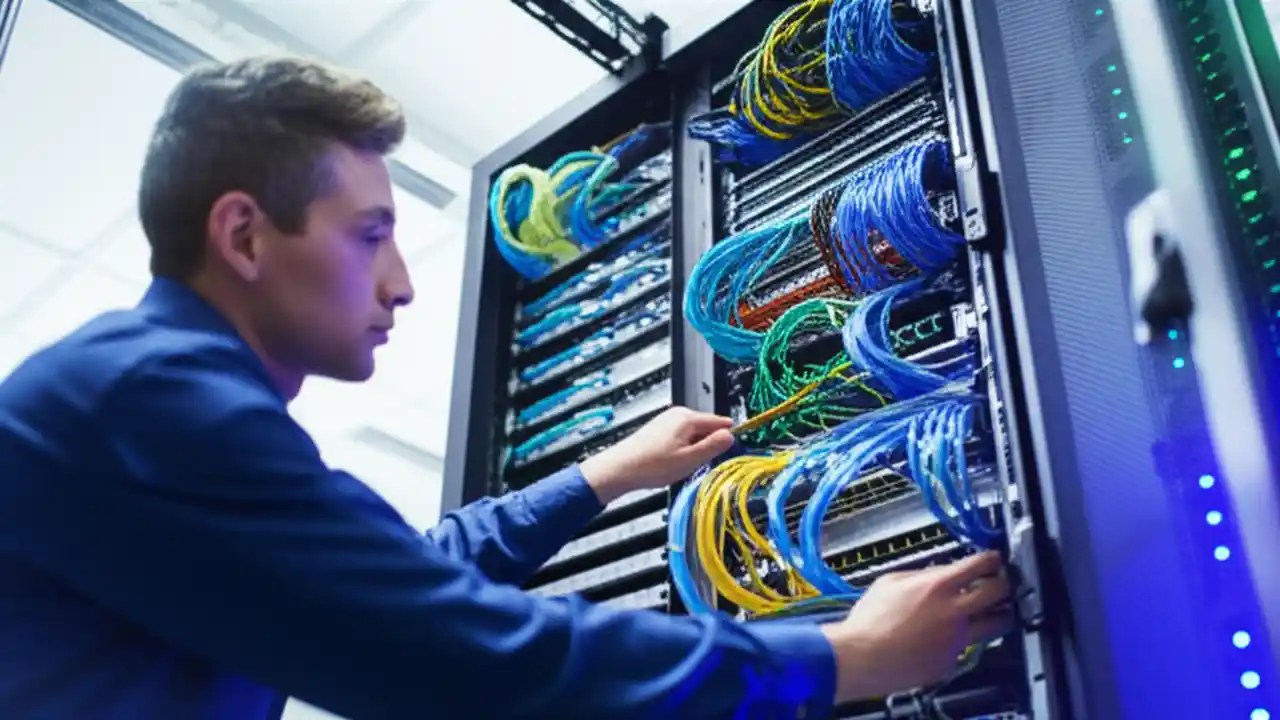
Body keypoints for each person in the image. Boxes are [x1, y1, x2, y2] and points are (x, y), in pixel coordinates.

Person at [0, 56, 1012, 719]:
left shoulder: (136, 402)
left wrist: (600, 476)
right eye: (367, 238)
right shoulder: (144, 403)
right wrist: (842, 660)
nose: (397, 283)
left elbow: (401, 575)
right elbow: (454, 652)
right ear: (242, 234)